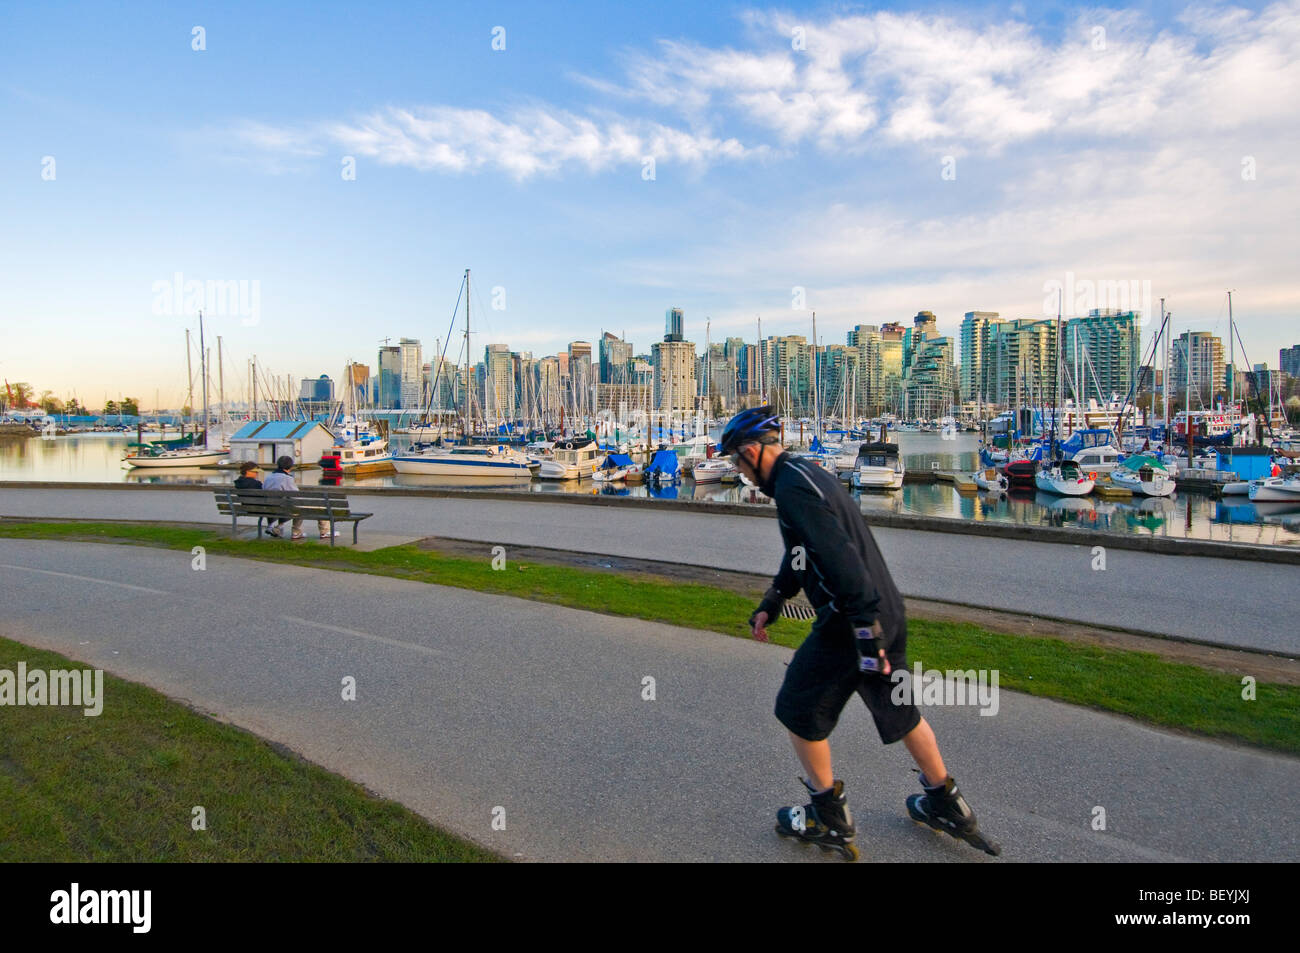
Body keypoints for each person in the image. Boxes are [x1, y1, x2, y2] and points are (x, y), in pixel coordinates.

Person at [718, 406, 998, 861]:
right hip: (887, 611)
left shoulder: (793, 489)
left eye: (735, 460)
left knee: (797, 708)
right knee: (901, 708)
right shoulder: (805, 474)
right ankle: (949, 806)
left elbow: (840, 555)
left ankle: (827, 817)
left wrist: (864, 631)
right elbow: (801, 556)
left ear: (752, 452)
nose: (737, 470)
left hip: (852, 623)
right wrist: (773, 601)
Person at [261, 455, 337, 541]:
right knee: (320, 507)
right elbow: (296, 495)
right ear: (290, 466)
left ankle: (295, 532)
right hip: (284, 508)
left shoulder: (268, 477)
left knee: (297, 507)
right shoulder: (287, 478)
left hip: (271, 508)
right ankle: (325, 531)